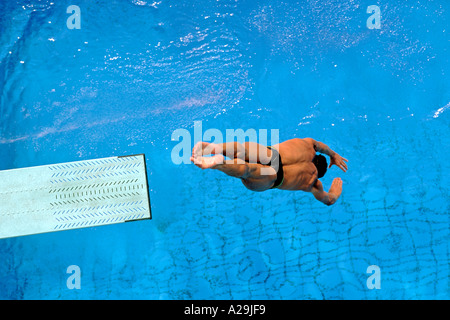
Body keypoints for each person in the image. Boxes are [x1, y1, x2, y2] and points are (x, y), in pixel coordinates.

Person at [190, 138, 348, 206]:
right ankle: (219, 163)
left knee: (243, 150)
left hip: (274, 155)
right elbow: (329, 200)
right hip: (275, 178)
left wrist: (333, 155)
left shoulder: (307, 145)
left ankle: (212, 148)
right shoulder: (314, 183)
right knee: (248, 170)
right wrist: (335, 191)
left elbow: (319, 145)